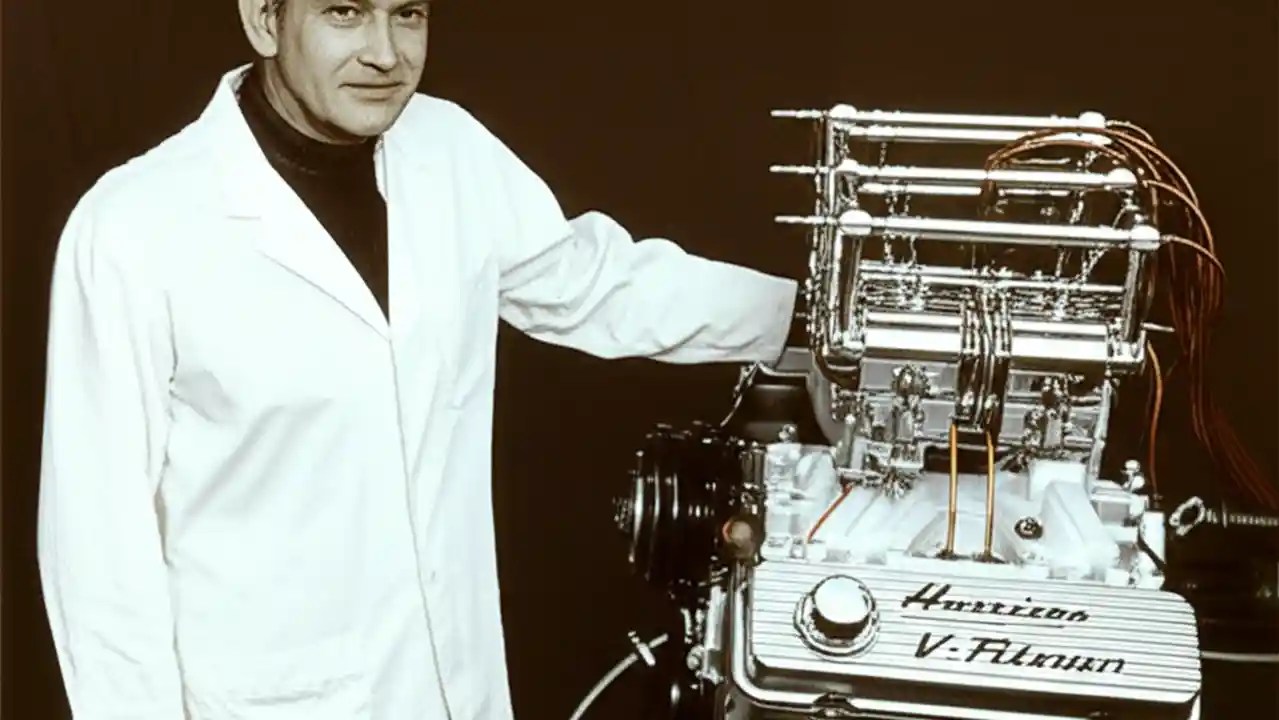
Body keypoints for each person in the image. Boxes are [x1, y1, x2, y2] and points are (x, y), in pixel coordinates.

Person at [36, 1, 798, 718]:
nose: (385, 53)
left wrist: (802, 320)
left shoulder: (448, 149)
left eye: (409, 13)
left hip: (453, 688)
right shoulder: (134, 225)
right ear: (264, 18)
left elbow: (593, 286)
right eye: (344, 12)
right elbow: (99, 559)